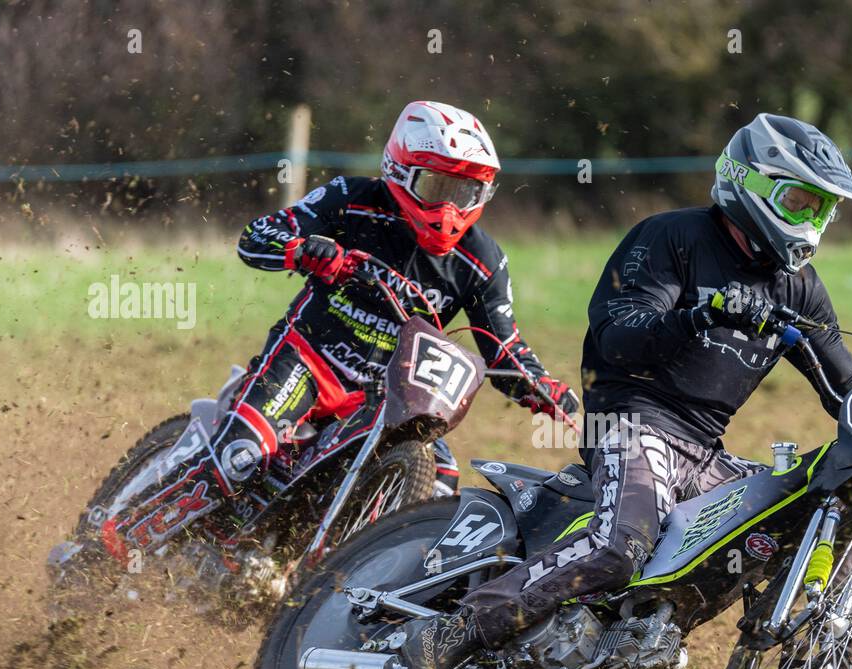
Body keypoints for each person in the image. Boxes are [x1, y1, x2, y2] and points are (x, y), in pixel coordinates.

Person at [396, 113, 852, 669]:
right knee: (619, 545)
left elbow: (850, 386)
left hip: (703, 450)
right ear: (750, 183)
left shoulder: (798, 287)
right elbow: (617, 332)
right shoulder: (672, 237)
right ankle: (458, 629)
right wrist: (702, 314)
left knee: (821, 502)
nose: (813, 221)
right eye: (801, 203)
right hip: (631, 421)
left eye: (823, 209)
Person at [63, 100, 577, 568]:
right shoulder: (352, 199)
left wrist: (552, 393)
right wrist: (306, 249)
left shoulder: (482, 261)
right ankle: (103, 552)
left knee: (440, 472)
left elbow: (504, 347)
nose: (449, 208)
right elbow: (258, 236)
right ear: (399, 171)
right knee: (241, 457)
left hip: (386, 394)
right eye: (437, 188)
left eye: (466, 192)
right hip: (308, 361)